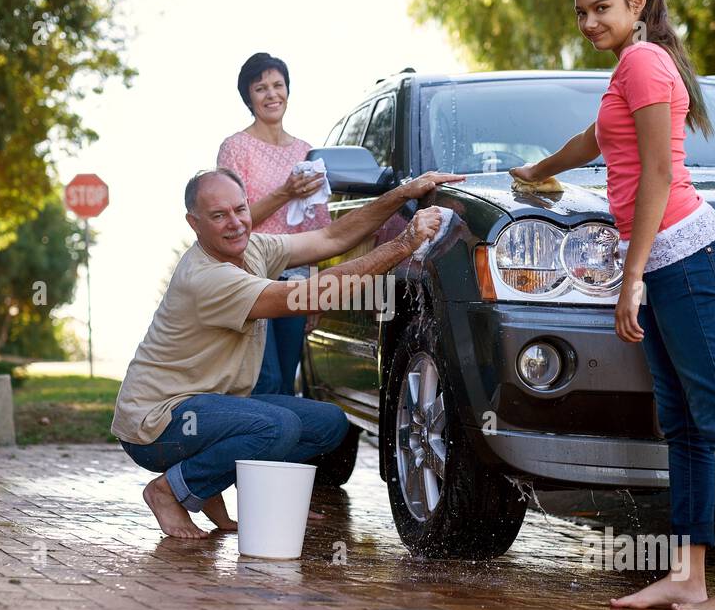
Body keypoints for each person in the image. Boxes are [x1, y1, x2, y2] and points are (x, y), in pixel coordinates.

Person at [511, 0, 715, 610]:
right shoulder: (632, 68)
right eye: (579, 12)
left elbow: (658, 170)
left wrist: (629, 280)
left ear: (636, 1)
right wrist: (537, 169)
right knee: (684, 423)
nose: (588, 21)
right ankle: (688, 576)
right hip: (666, 260)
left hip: (682, 255)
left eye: (601, 7)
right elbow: (594, 138)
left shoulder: (643, 60)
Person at [112, 166, 463, 539]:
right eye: (218, 216)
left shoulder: (253, 249)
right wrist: (401, 244)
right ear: (194, 223)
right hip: (156, 424)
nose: (235, 223)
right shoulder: (207, 278)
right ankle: (167, 491)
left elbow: (332, 236)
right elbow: (308, 295)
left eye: (240, 209)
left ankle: (211, 485)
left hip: (206, 406)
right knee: (279, 428)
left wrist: (403, 194)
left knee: (329, 424)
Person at [217, 52, 327, 395]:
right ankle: (255, 447)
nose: (271, 94)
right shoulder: (235, 148)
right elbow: (232, 221)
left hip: (295, 281)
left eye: (278, 85)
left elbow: (319, 225)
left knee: (286, 383)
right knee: (263, 380)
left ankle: (280, 450)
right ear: (248, 97)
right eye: (260, 87)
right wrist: (284, 193)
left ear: (288, 92)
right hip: (251, 278)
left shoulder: (307, 152)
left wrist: (316, 290)